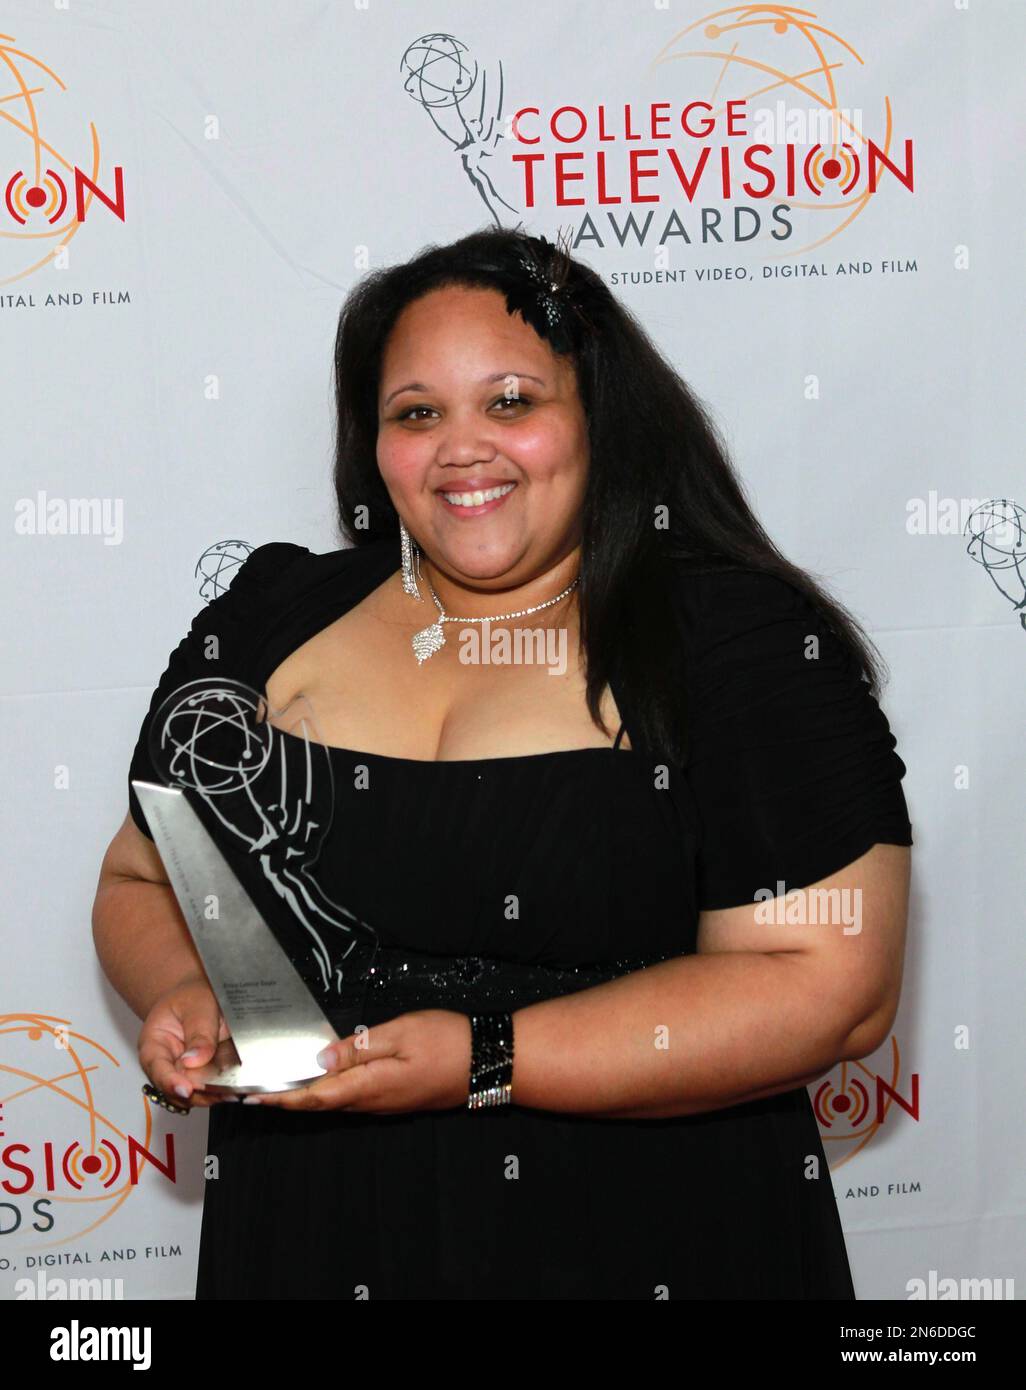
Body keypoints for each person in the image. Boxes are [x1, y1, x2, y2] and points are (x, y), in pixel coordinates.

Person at [92, 226, 913, 1300]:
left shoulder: (737, 644)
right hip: (313, 1228)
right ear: (374, 441)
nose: (461, 447)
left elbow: (833, 989)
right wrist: (188, 992)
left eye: (512, 402)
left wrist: (487, 1059)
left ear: (599, 418)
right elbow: (143, 878)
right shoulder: (270, 618)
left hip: (649, 1232)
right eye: (417, 412)